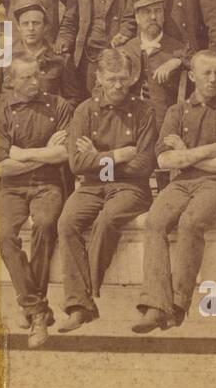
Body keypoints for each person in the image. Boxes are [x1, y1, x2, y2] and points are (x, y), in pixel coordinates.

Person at [133, 50, 216, 333]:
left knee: (191, 222)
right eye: (206, 73)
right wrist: (206, 150)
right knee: (154, 222)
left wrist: (187, 153)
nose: (213, 79)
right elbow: (165, 160)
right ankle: (156, 305)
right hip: (181, 184)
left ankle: (179, 304)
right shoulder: (176, 112)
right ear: (192, 76)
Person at [56, 48, 156, 333]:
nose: (118, 86)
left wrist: (98, 158)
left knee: (108, 219)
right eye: (111, 79)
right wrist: (117, 156)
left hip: (130, 189)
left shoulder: (144, 111)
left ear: (132, 78)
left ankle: (82, 300)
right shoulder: (85, 111)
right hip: (91, 187)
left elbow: (144, 164)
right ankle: (81, 304)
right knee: (67, 222)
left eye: (123, 79)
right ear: (98, 78)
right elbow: (76, 163)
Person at [0, 57, 74, 348]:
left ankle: (32, 311)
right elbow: (0, 168)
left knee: (46, 224)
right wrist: (43, 152)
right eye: (26, 78)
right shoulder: (1, 113)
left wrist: (22, 154)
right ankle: (37, 310)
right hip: (11, 189)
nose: (35, 82)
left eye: (37, 75)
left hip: (49, 185)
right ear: (11, 81)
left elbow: (64, 155)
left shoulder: (59, 107)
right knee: (4, 236)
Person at [0, 0, 73, 119]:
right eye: (25, 24)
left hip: (45, 124)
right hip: (9, 124)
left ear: (46, 27)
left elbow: (73, 99)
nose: (31, 28)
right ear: (18, 27)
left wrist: (54, 119)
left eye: (36, 23)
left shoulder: (60, 59)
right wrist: (2, 114)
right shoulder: (5, 55)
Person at [120, 0, 185, 133]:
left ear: (163, 16)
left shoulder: (177, 48)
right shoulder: (127, 49)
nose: (153, 17)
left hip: (163, 127)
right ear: (137, 18)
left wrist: (178, 60)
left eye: (158, 11)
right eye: (146, 12)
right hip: (130, 127)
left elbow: (195, 60)